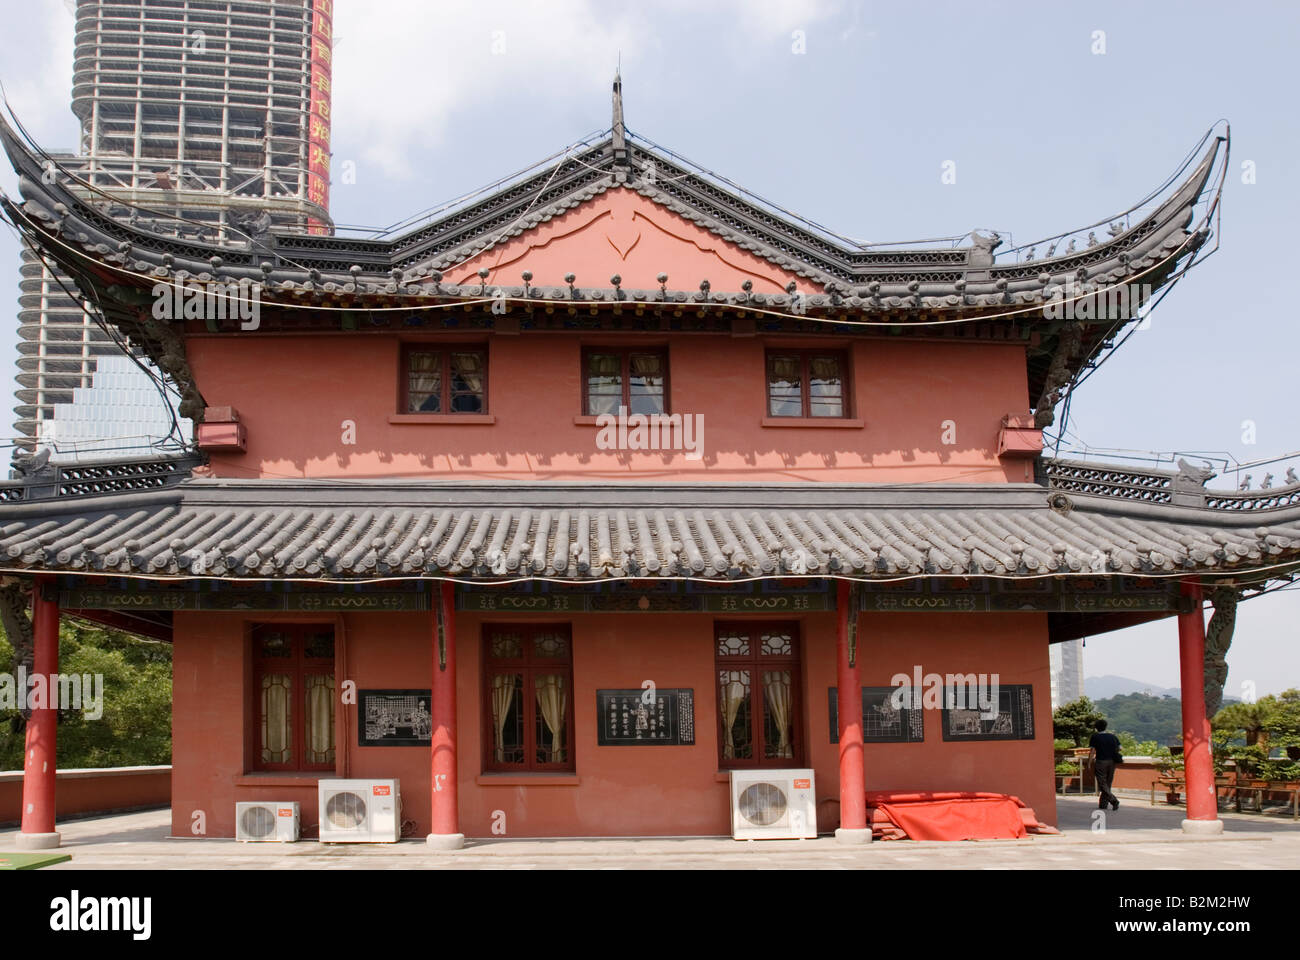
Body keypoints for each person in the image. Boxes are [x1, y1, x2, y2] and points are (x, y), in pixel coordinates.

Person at [1089, 718, 1122, 811]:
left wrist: (1089, 762)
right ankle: (1103, 804)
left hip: (1101, 761)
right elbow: (1120, 748)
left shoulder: (1095, 737)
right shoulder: (1112, 736)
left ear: (1096, 728)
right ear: (1105, 727)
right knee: (1108, 783)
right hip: (1112, 762)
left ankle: (1113, 800)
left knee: (1102, 783)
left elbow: (1092, 751)